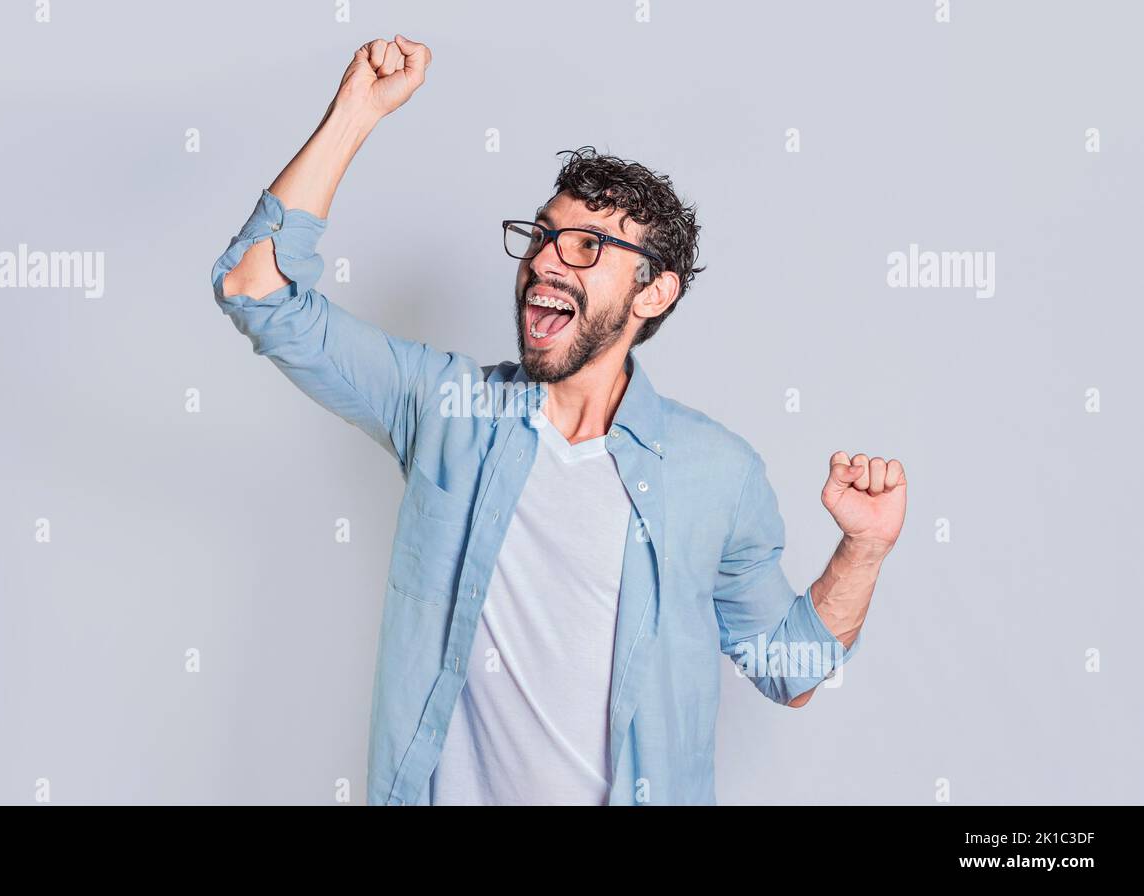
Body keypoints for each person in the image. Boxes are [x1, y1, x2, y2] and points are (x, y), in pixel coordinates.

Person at [212, 35, 907, 806]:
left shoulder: (716, 473)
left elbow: (793, 672)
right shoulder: (451, 413)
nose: (545, 262)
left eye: (586, 248)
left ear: (654, 294)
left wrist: (865, 549)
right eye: (542, 237)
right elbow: (257, 289)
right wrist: (355, 112)